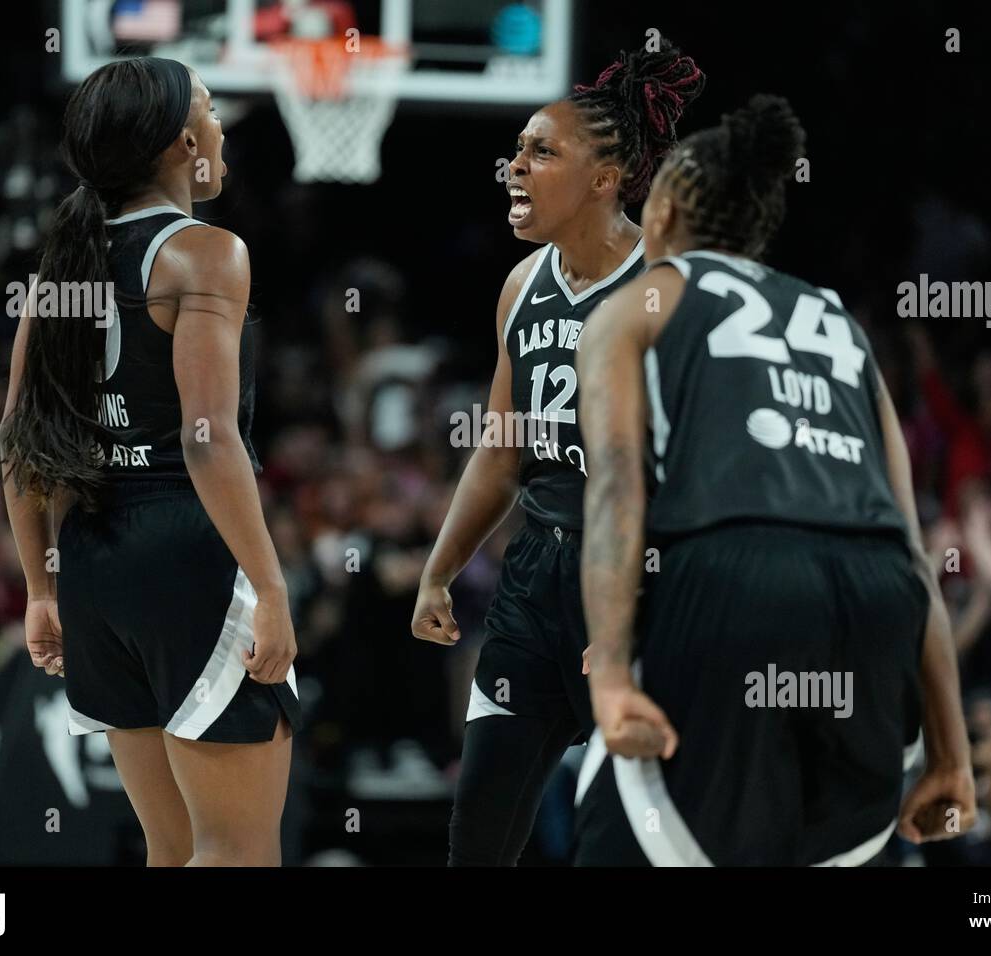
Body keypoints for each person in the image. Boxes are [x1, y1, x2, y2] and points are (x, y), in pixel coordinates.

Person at [573, 94, 975, 865]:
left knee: (627, 827)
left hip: (738, 580)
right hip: (877, 599)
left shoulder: (637, 305)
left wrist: (614, 680)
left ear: (668, 210)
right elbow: (912, 547)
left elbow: (617, 488)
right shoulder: (839, 323)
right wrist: (952, 755)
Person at [0, 57, 300, 866]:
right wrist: (270, 586)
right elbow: (208, 439)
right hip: (186, 552)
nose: (222, 124)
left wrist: (38, 589)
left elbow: (17, 446)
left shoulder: (59, 269)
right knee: (237, 853)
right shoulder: (204, 252)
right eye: (209, 107)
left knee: (171, 851)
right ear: (179, 142)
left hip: (93, 562)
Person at [411, 42, 705, 865]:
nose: (515, 166)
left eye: (543, 152)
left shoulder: (667, 285)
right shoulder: (521, 284)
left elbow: (696, 465)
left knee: (634, 837)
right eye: (517, 150)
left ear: (607, 180)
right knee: (479, 835)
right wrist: (439, 569)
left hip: (635, 576)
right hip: (535, 578)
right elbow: (500, 449)